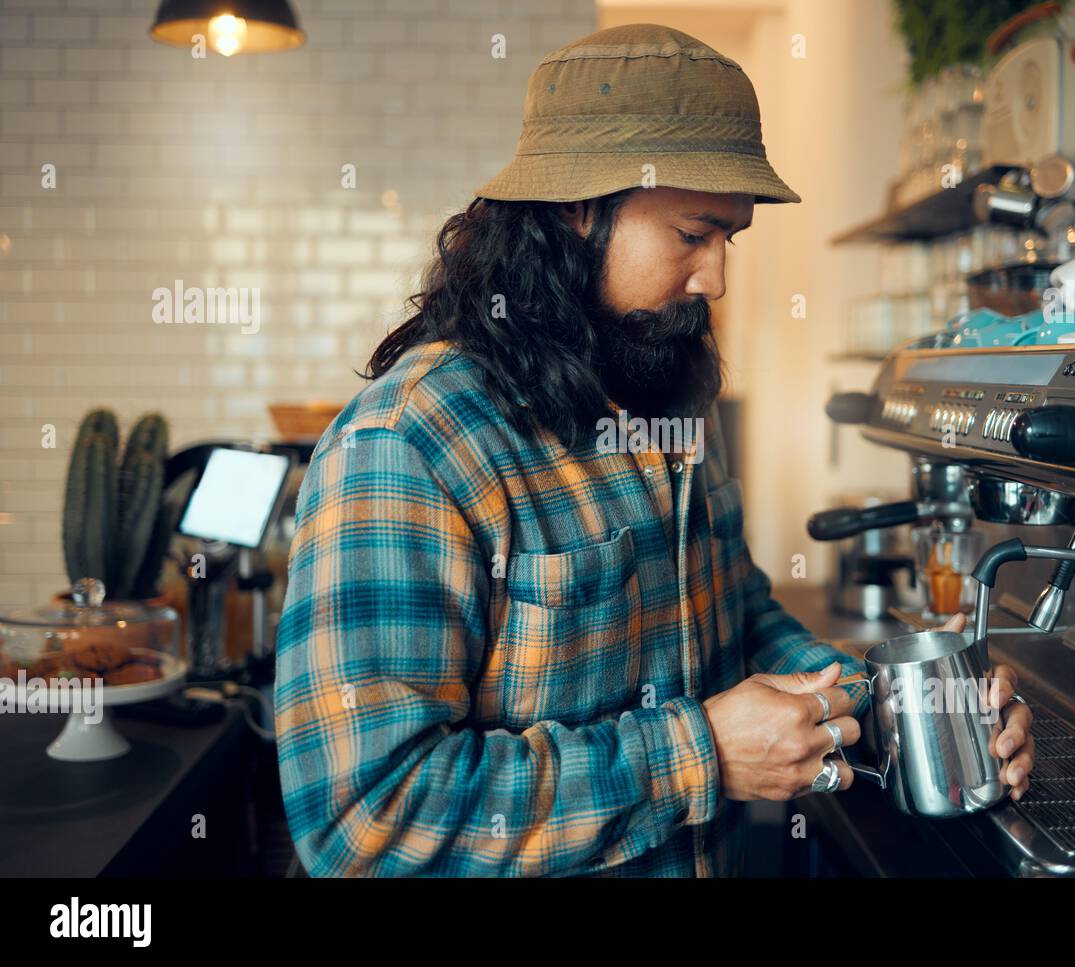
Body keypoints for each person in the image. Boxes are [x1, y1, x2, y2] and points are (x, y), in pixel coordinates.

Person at [274, 22, 1034, 877]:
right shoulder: (410, 443)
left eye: (727, 242)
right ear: (575, 211)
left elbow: (734, 617)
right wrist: (699, 753)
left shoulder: (667, 393)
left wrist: (908, 705)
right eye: (690, 236)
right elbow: (366, 818)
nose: (714, 279)